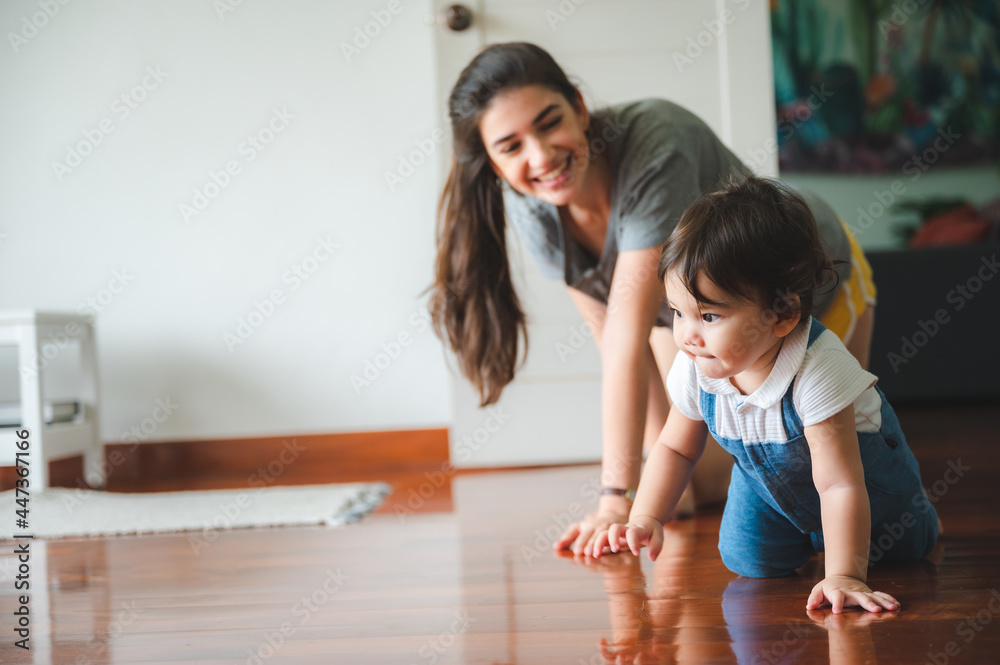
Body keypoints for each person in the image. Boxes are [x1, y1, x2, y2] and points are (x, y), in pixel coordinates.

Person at [430, 42, 878, 556]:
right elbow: (615, 341)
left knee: (817, 461)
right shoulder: (536, 205)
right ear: (490, 161)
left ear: (578, 105)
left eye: (549, 122)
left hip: (798, 288)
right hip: (698, 320)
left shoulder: (655, 143)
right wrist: (626, 506)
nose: (540, 157)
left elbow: (626, 335)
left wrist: (612, 496)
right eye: (510, 147)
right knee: (681, 492)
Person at [591, 176, 939, 613]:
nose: (687, 335)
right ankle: (811, 538)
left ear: (783, 315)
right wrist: (646, 516)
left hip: (865, 479)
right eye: (678, 312)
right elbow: (675, 448)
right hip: (771, 482)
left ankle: (897, 524)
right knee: (746, 559)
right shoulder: (699, 365)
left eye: (710, 315)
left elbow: (837, 483)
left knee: (903, 548)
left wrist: (844, 576)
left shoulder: (819, 369)